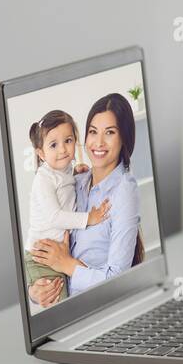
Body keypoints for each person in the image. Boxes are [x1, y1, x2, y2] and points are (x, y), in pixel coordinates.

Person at [28, 94, 140, 306]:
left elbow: (117, 280)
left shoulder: (124, 191)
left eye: (110, 132)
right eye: (93, 132)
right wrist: (35, 291)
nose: (98, 142)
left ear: (124, 138)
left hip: (101, 310)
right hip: (70, 305)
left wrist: (67, 264)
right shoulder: (76, 181)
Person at [22, 109, 111, 303]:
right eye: (53, 145)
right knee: (61, 303)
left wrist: (77, 173)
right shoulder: (43, 179)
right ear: (41, 153)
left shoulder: (67, 172)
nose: (62, 149)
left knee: (70, 300)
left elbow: (67, 188)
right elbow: (55, 217)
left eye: (68, 141)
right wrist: (89, 218)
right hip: (41, 257)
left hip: (58, 255)